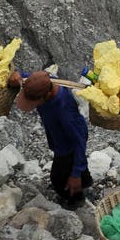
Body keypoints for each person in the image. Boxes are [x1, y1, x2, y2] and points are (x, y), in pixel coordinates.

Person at [8, 69, 92, 207]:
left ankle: (76, 198)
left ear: (46, 96)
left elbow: (79, 142)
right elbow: (24, 77)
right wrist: (16, 76)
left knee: (58, 179)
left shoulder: (64, 110)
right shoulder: (45, 81)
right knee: (70, 168)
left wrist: (75, 175)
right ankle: (86, 181)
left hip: (68, 143)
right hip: (59, 134)